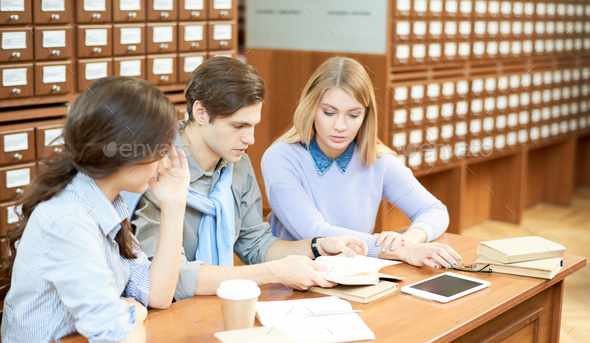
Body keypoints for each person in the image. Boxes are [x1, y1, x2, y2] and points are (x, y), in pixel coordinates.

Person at [0, 76, 190, 343]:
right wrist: (130, 309)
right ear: (126, 153)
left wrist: (173, 204)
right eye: (159, 149)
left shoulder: (106, 203)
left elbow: (158, 294)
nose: (163, 160)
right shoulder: (69, 220)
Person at [129, 57, 368, 301]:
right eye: (238, 126)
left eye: (253, 125)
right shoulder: (157, 168)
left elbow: (254, 243)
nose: (250, 139)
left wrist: (317, 246)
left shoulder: (237, 164)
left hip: (213, 307)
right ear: (200, 113)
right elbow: (167, 279)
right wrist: (271, 273)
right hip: (161, 316)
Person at [261, 57, 462, 269]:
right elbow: (315, 232)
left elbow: (434, 210)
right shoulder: (280, 158)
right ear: (311, 108)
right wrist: (400, 251)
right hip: (294, 282)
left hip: (356, 274)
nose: (340, 126)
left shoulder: (378, 159)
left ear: (366, 115)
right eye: (329, 113)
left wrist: (410, 239)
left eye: (353, 115)